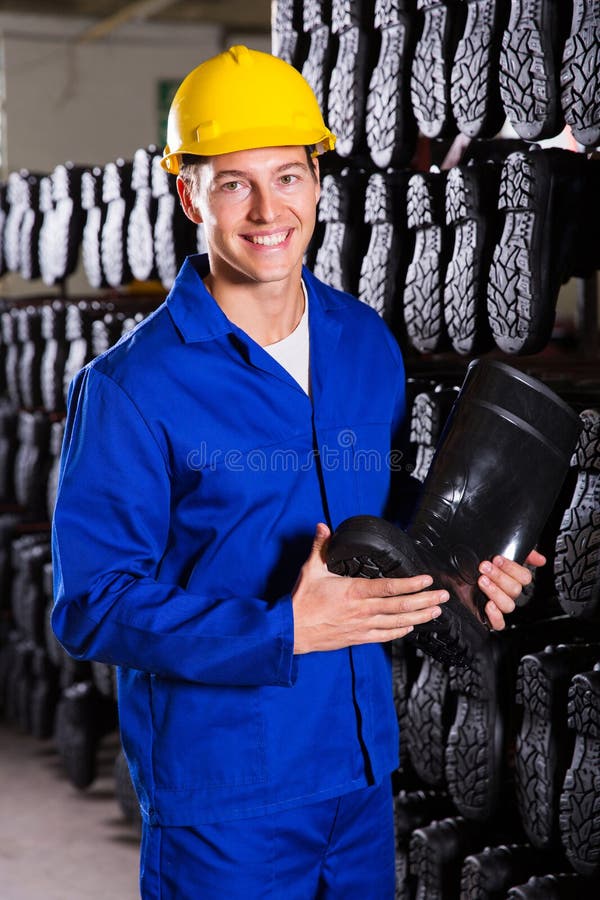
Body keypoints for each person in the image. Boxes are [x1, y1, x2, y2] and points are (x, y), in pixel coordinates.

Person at [51, 46, 544, 899]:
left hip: (357, 772)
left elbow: (388, 528)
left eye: (288, 176)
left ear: (318, 182)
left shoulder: (365, 345)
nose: (266, 209)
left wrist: (468, 577)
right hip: (223, 795)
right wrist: (285, 628)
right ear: (188, 194)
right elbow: (91, 603)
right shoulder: (131, 388)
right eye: (234, 182)